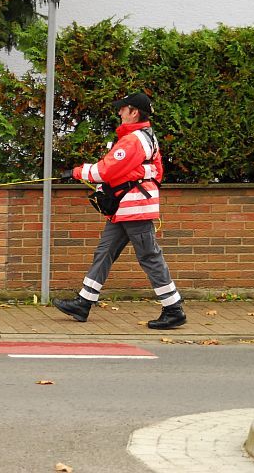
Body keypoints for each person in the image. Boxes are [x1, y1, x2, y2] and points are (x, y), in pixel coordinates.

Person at [53, 92, 186, 330]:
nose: (119, 112)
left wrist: (75, 172)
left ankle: (174, 309)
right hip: (126, 207)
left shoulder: (134, 140)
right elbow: (145, 172)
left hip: (136, 208)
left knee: (149, 256)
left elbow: (106, 170)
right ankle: (84, 302)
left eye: (123, 109)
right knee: (104, 253)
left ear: (134, 112)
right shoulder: (142, 137)